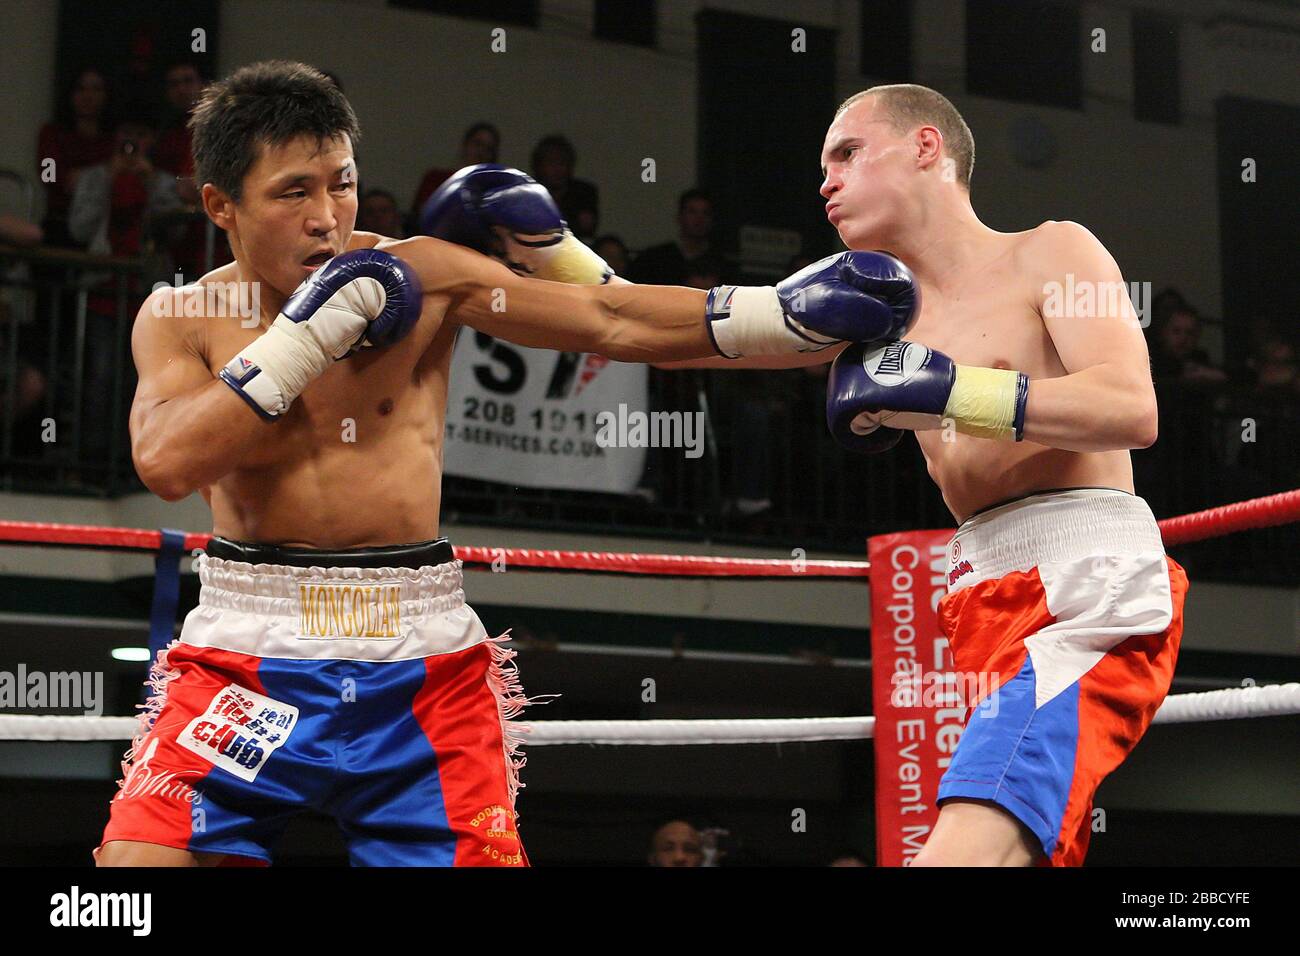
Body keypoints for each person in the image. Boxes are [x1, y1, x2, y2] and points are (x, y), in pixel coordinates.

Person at [95, 61, 912, 868]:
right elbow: (166, 462)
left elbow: (609, 316)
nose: (327, 218)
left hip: (414, 650)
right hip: (246, 646)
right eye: (293, 192)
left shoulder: (422, 273)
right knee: (136, 878)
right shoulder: (185, 315)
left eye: (341, 184)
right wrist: (309, 334)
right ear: (220, 205)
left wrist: (785, 317)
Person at [662, 84, 1185, 867]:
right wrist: (546, 256)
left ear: (927, 149)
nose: (824, 182)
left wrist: (949, 390)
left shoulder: (1050, 250)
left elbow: (1130, 407)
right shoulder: (870, 315)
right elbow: (661, 326)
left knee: (964, 844)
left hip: (1088, 581)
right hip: (983, 599)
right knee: (1019, 846)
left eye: (847, 153)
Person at [37, 67, 115, 248]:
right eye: (81, 89)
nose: (88, 96)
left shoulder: (113, 138)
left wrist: (81, 177)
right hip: (60, 221)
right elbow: (50, 177)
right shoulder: (51, 134)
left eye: (96, 89)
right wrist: (97, 176)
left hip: (103, 226)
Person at [628, 188, 733, 286]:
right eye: (692, 212)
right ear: (680, 216)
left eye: (706, 213)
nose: (699, 219)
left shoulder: (721, 263)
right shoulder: (654, 259)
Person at [410, 122, 500, 223]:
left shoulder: (491, 190)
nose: (481, 152)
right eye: (477, 144)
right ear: (465, 145)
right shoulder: (436, 177)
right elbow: (425, 213)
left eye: (489, 149)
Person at [530, 134, 599, 238]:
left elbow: (586, 228)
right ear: (539, 166)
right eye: (551, 163)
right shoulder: (527, 193)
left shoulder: (584, 193)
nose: (557, 170)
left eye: (562, 163)